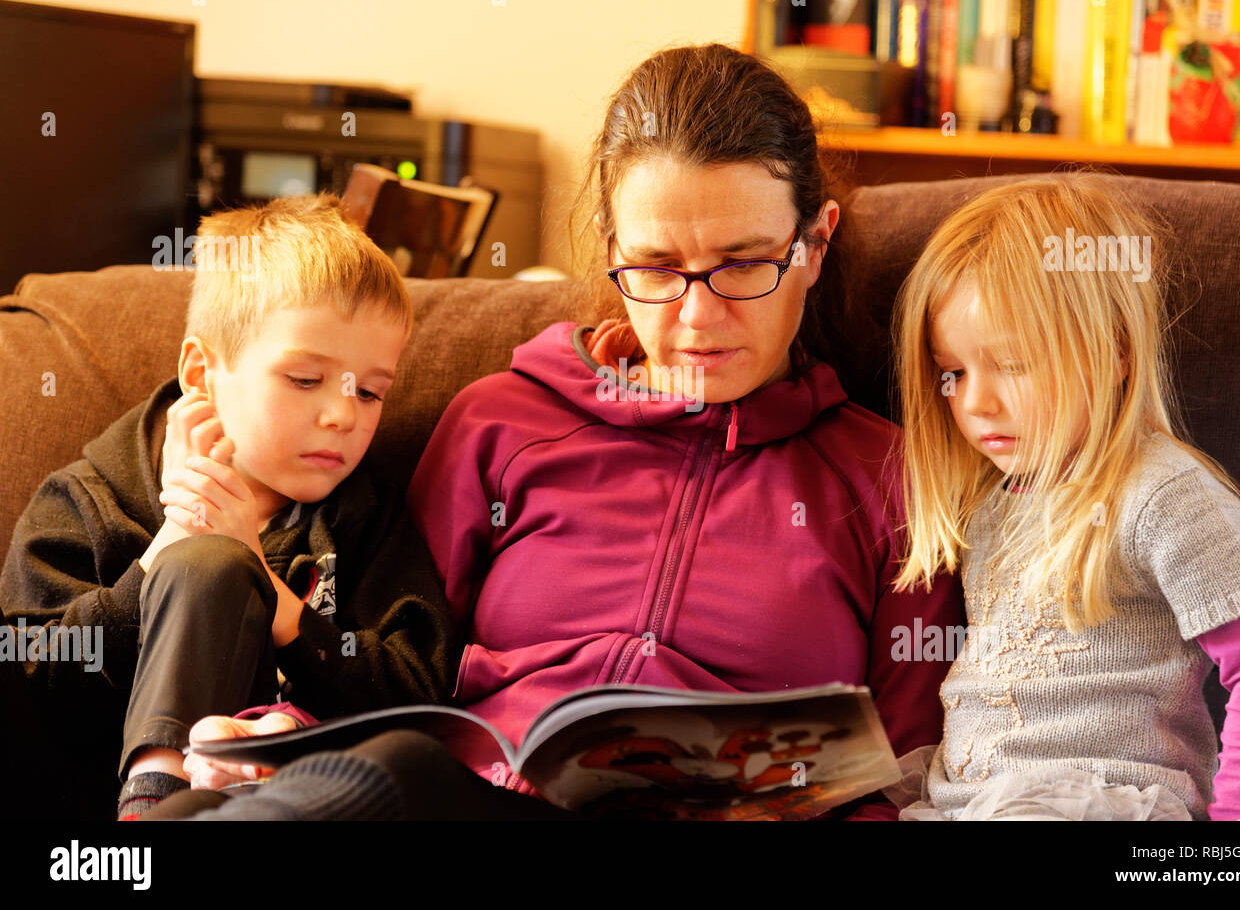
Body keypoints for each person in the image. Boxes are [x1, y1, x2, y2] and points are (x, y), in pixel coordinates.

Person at [170, 43, 964, 821]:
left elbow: (903, 772)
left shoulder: (889, 477)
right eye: (656, 266)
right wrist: (285, 734)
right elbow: (395, 674)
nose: (697, 317)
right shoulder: (500, 421)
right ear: (613, 248)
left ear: (814, 244)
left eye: (745, 262)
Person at [0, 194, 456, 818]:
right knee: (204, 563)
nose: (343, 414)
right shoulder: (88, 502)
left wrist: (271, 593)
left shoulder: (368, 521)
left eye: (370, 392)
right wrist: (169, 550)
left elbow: (420, 697)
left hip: (293, 807)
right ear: (200, 371)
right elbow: (28, 701)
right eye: (304, 380)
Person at [885, 172, 1240, 820]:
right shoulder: (997, 503)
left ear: (1116, 349)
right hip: (961, 805)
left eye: (1014, 364)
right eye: (954, 372)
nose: (974, 402)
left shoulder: (1160, 490)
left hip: (1101, 801)